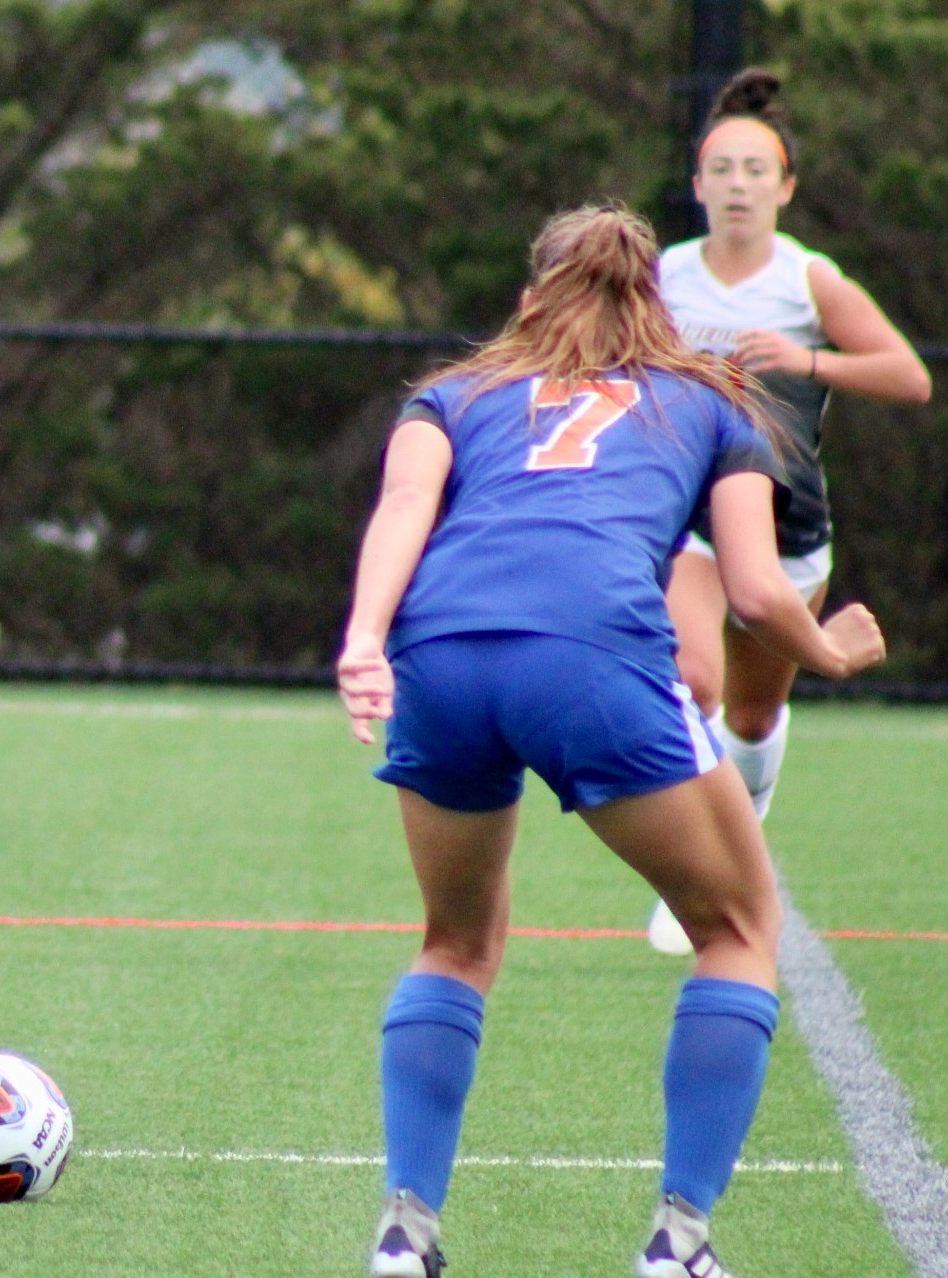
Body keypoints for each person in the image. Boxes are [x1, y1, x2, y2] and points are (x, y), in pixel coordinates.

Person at [337, 205, 885, 1277]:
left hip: (438, 652)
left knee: (453, 944)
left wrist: (363, 637)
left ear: (532, 296)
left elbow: (403, 506)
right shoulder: (716, 401)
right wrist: (832, 655)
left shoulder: (449, 394)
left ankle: (405, 1232)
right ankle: (677, 1243)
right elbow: (758, 591)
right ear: (657, 304)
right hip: (588, 654)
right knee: (737, 923)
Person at [645, 68, 929, 955]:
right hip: (691, 520)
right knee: (694, 679)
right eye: (720, 169)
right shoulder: (665, 275)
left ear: (785, 186)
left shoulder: (808, 281)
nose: (737, 184)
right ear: (696, 185)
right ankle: (695, 877)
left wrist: (805, 364)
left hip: (788, 529)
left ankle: (745, 825)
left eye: (754, 170)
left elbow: (908, 376)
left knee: (755, 717)